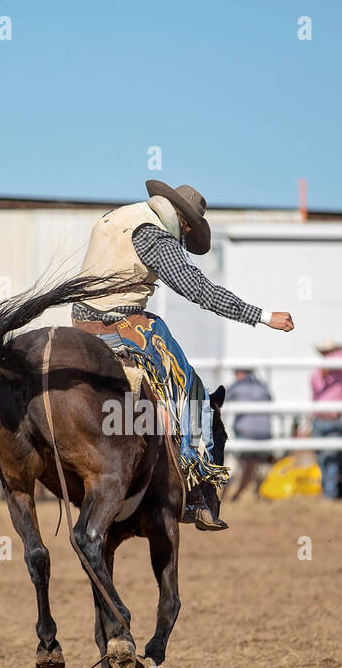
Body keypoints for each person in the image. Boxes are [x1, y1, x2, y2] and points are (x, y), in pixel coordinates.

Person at [69, 179, 295, 531]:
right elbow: (197, 288)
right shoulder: (154, 235)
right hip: (119, 324)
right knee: (190, 389)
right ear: (183, 221)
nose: (183, 241)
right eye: (186, 233)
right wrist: (262, 316)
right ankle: (196, 487)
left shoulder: (116, 216)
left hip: (80, 322)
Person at [223, 368, 273, 502]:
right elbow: (270, 399)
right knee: (251, 465)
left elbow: (222, 397)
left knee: (233, 464)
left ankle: (223, 495)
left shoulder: (238, 386)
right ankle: (237, 495)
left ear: (240, 373)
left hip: (246, 432)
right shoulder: (262, 386)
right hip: (264, 433)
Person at [311, 340, 342, 500]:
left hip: (331, 418)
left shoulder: (340, 363)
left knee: (330, 458)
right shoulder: (322, 369)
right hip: (319, 418)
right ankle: (326, 491)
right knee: (322, 458)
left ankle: (330, 494)